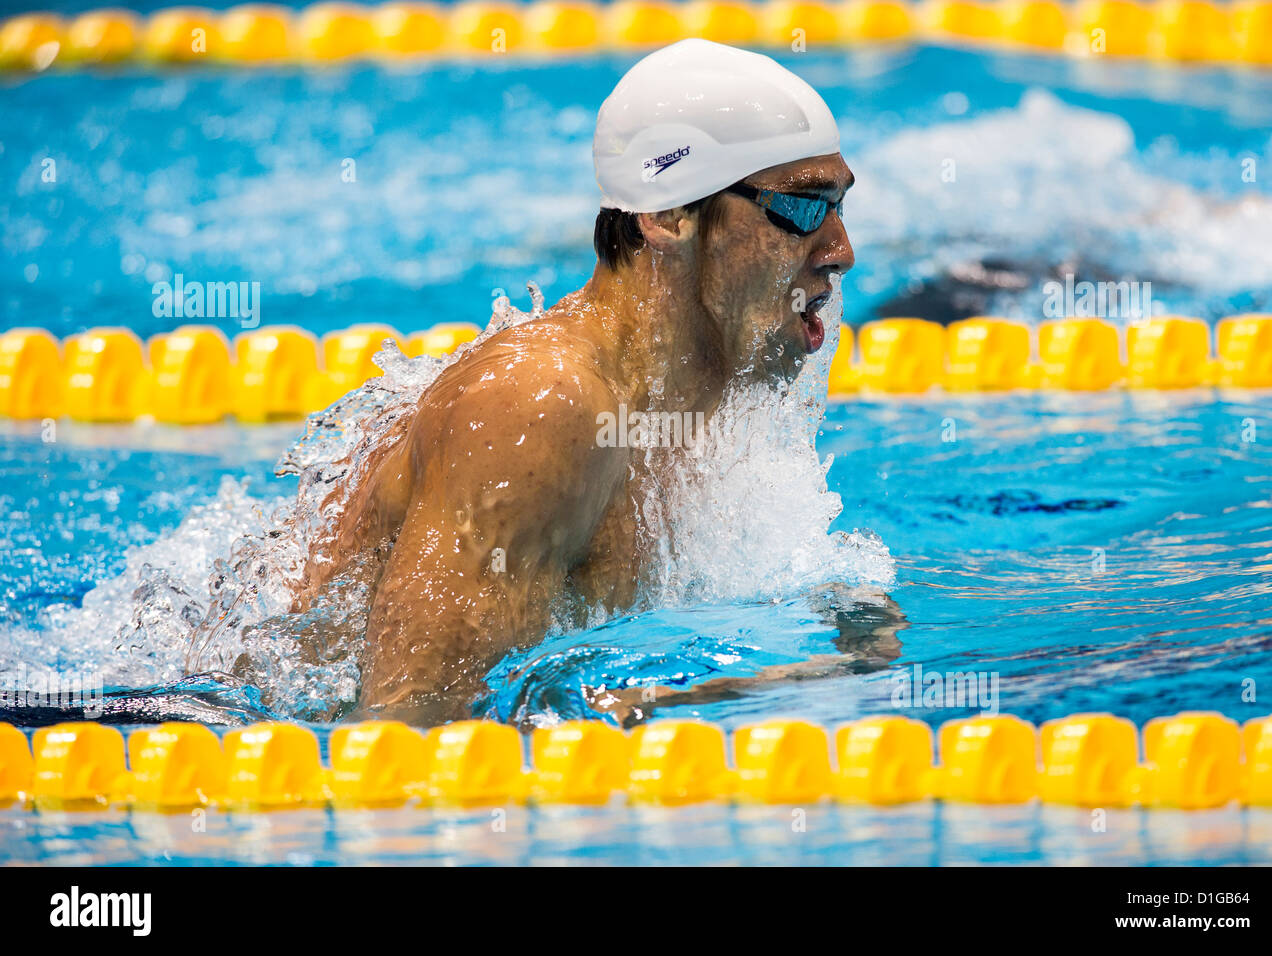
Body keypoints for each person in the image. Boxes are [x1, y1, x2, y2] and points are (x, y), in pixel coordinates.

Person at [294, 39, 889, 726]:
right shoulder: (539, 409)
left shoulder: (692, 397)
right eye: (804, 209)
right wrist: (774, 690)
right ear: (671, 216)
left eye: (840, 207)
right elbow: (416, 743)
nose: (842, 251)